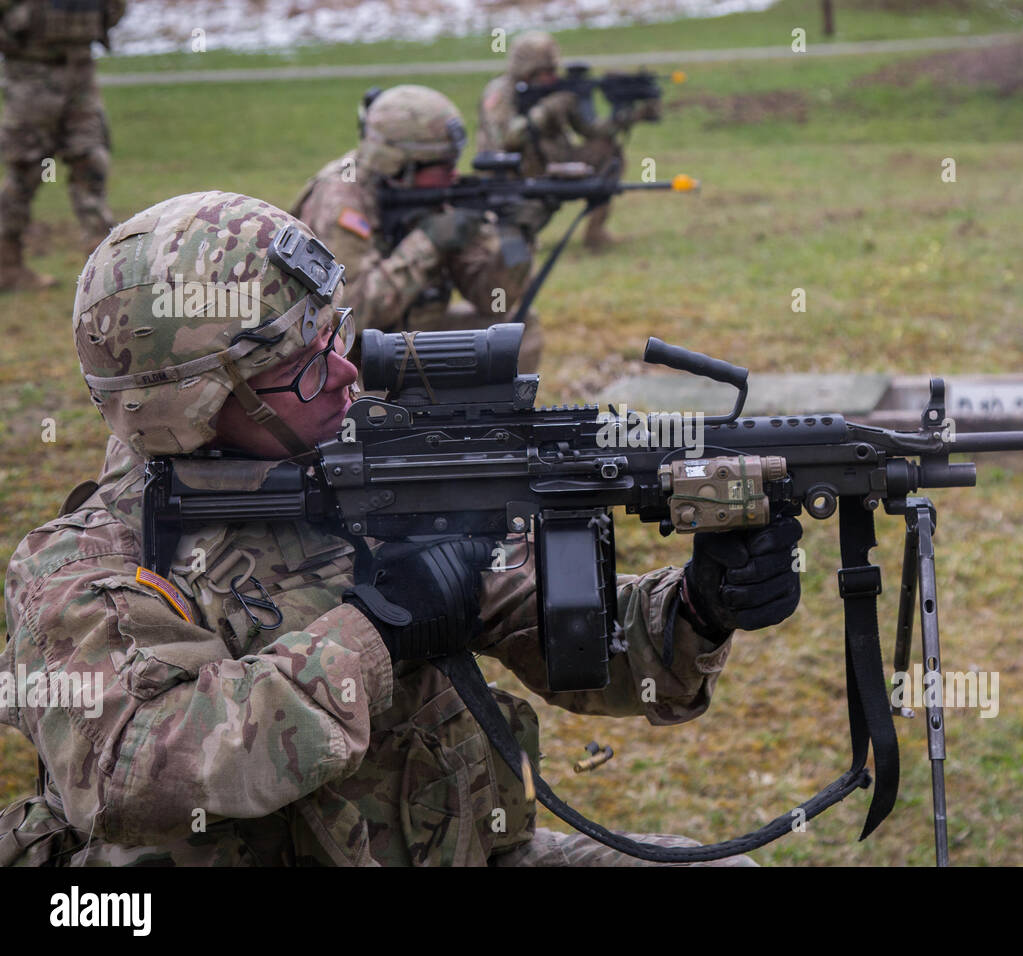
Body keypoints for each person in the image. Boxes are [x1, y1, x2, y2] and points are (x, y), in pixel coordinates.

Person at [0, 190, 803, 866]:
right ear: (192, 404)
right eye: (303, 366)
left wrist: (700, 606)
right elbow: (131, 772)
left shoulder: (368, 471)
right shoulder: (82, 568)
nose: (348, 373)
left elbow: (566, 638)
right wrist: (376, 637)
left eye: (335, 335)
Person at [292, 84, 544, 373]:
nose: (454, 173)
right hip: (343, 358)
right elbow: (348, 314)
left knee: (515, 332)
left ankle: (488, 417)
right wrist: (428, 242)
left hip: (407, 339)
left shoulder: (436, 194)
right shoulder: (341, 199)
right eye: (443, 164)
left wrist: (517, 235)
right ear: (400, 165)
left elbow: (492, 299)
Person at [477, 30, 659, 250]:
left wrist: (628, 115)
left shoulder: (560, 91)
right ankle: (520, 231)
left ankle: (596, 232)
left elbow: (591, 130)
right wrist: (544, 112)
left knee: (607, 150)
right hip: (515, 178)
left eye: (553, 70)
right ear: (526, 71)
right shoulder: (500, 92)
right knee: (514, 243)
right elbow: (507, 139)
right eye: (544, 72)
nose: (552, 77)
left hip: (555, 166)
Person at [0, 0, 124, 292]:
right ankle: (6, 264)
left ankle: (103, 268)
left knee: (91, 161)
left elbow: (114, 9)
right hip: (31, 75)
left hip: (81, 72)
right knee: (26, 170)